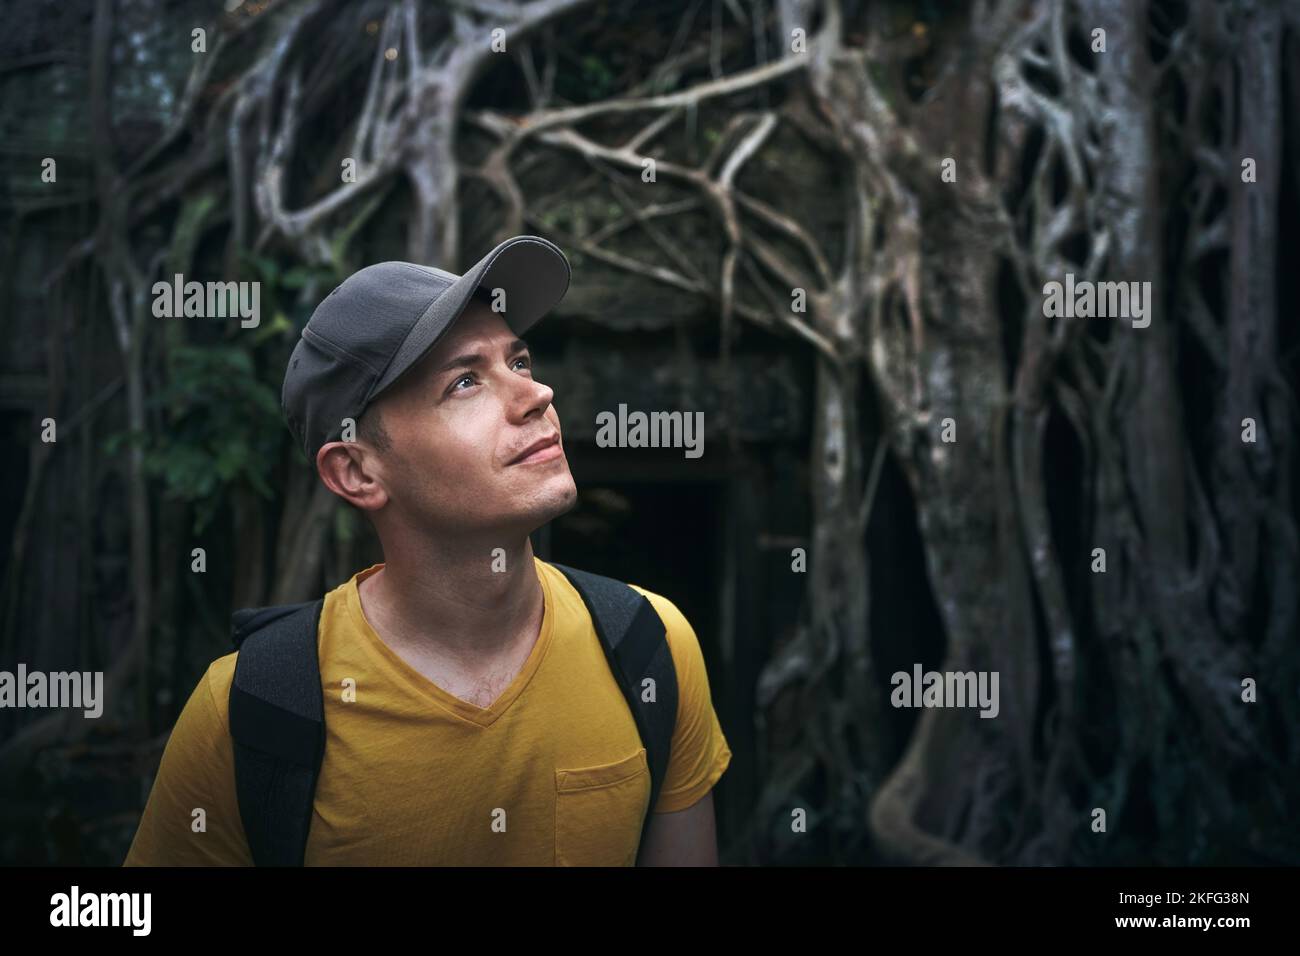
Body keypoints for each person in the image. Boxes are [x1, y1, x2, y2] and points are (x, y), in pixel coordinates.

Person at [123, 236, 731, 866]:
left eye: (518, 363)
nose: (537, 395)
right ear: (358, 472)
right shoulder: (253, 709)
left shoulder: (646, 646)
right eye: (465, 382)